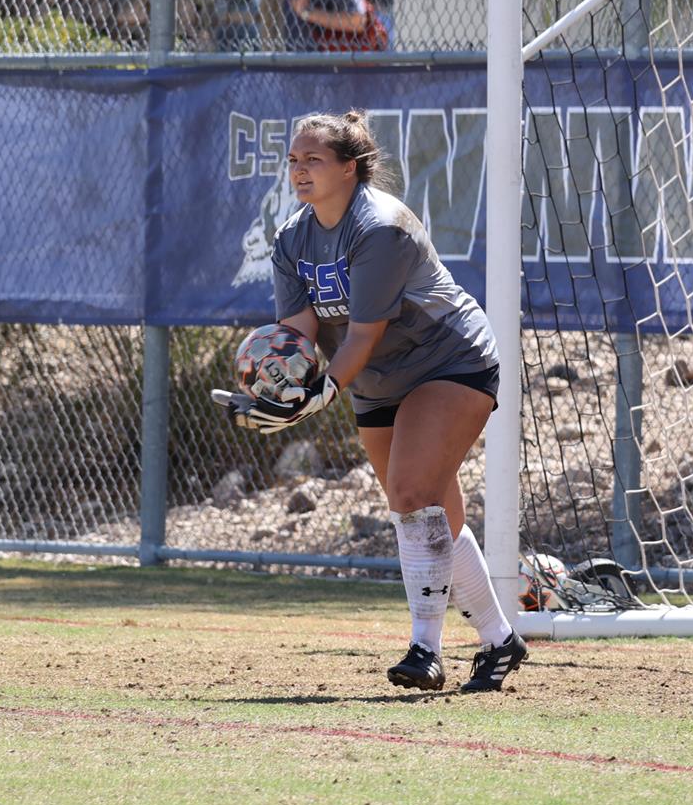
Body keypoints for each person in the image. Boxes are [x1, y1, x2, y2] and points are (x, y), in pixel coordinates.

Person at [210, 111, 527, 693]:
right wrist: (275, 389)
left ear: (350, 168)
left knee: (409, 494)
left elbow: (363, 334)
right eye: (294, 161)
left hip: (448, 359)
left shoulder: (380, 225)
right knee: (427, 509)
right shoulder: (291, 239)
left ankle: (425, 651)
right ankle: (500, 641)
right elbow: (299, 333)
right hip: (379, 381)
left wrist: (319, 395)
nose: (299, 171)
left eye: (314, 160)